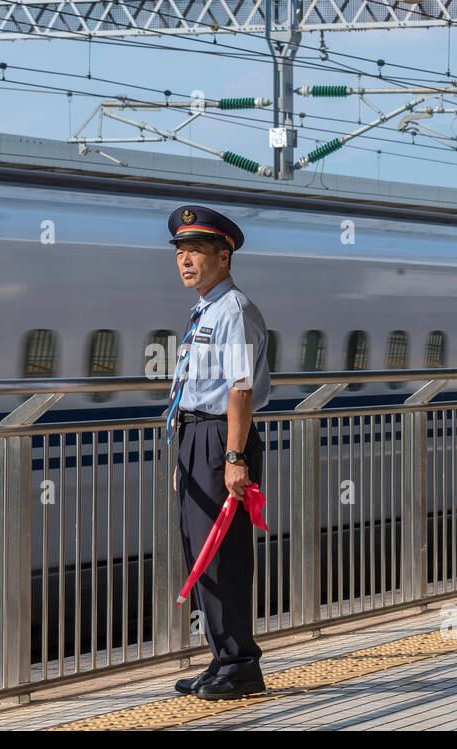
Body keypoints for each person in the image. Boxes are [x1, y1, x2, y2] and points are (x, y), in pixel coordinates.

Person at [163, 204, 271, 700]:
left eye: (197, 251)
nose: (185, 260)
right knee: (200, 554)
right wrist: (183, 456)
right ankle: (221, 658)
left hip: (221, 439)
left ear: (224, 256)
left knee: (223, 556)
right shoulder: (204, 309)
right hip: (196, 440)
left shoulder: (235, 311)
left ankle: (241, 666)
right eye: (181, 252)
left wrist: (233, 459)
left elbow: (241, 388)